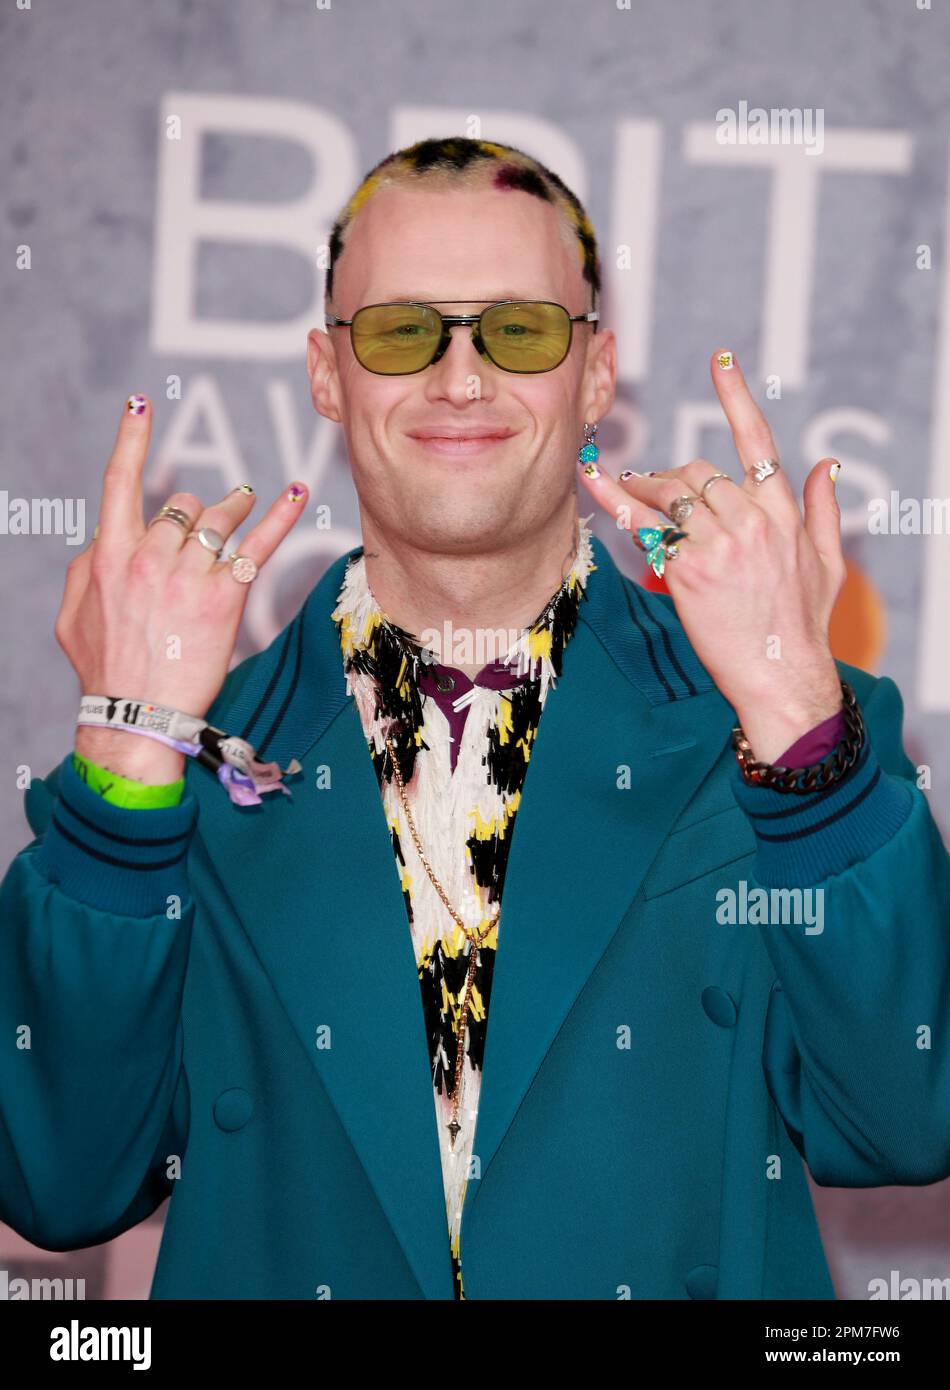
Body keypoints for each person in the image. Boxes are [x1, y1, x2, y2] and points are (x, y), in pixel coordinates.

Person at [1, 136, 948, 1301]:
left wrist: (798, 707)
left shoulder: (775, 728)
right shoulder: (180, 757)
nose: (460, 379)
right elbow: (64, 1184)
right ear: (325, 373)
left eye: (519, 330)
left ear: (594, 373)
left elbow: (904, 1118)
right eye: (404, 331)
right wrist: (122, 756)